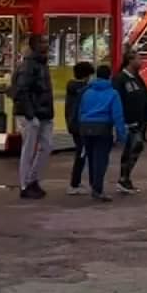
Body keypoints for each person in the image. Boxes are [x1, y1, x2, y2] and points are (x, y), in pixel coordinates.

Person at [11, 36, 55, 199]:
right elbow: (22, 91)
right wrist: (30, 114)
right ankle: (25, 184)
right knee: (29, 149)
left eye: (46, 42)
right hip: (31, 114)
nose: (46, 45)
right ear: (34, 46)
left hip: (42, 113)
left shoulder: (41, 64)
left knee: (46, 146)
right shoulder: (28, 66)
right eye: (42, 42)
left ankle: (32, 179)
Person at [75, 65, 126, 201]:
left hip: (85, 127)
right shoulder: (113, 93)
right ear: (109, 76)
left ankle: (94, 184)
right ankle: (97, 189)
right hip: (103, 128)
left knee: (90, 158)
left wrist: (80, 127)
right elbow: (118, 115)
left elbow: (80, 110)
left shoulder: (87, 92)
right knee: (101, 159)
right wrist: (122, 135)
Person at [113, 54, 147, 195]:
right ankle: (123, 179)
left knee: (136, 148)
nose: (141, 61)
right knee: (132, 148)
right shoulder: (120, 79)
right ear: (130, 61)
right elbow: (117, 100)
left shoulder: (136, 77)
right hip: (129, 121)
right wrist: (121, 121)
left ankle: (125, 178)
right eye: (138, 59)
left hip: (140, 121)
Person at [62, 60, 94, 197]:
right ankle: (74, 184)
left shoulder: (75, 87)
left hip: (75, 124)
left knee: (82, 152)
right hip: (78, 125)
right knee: (81, 153)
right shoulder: (79, 88)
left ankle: (76, 182)